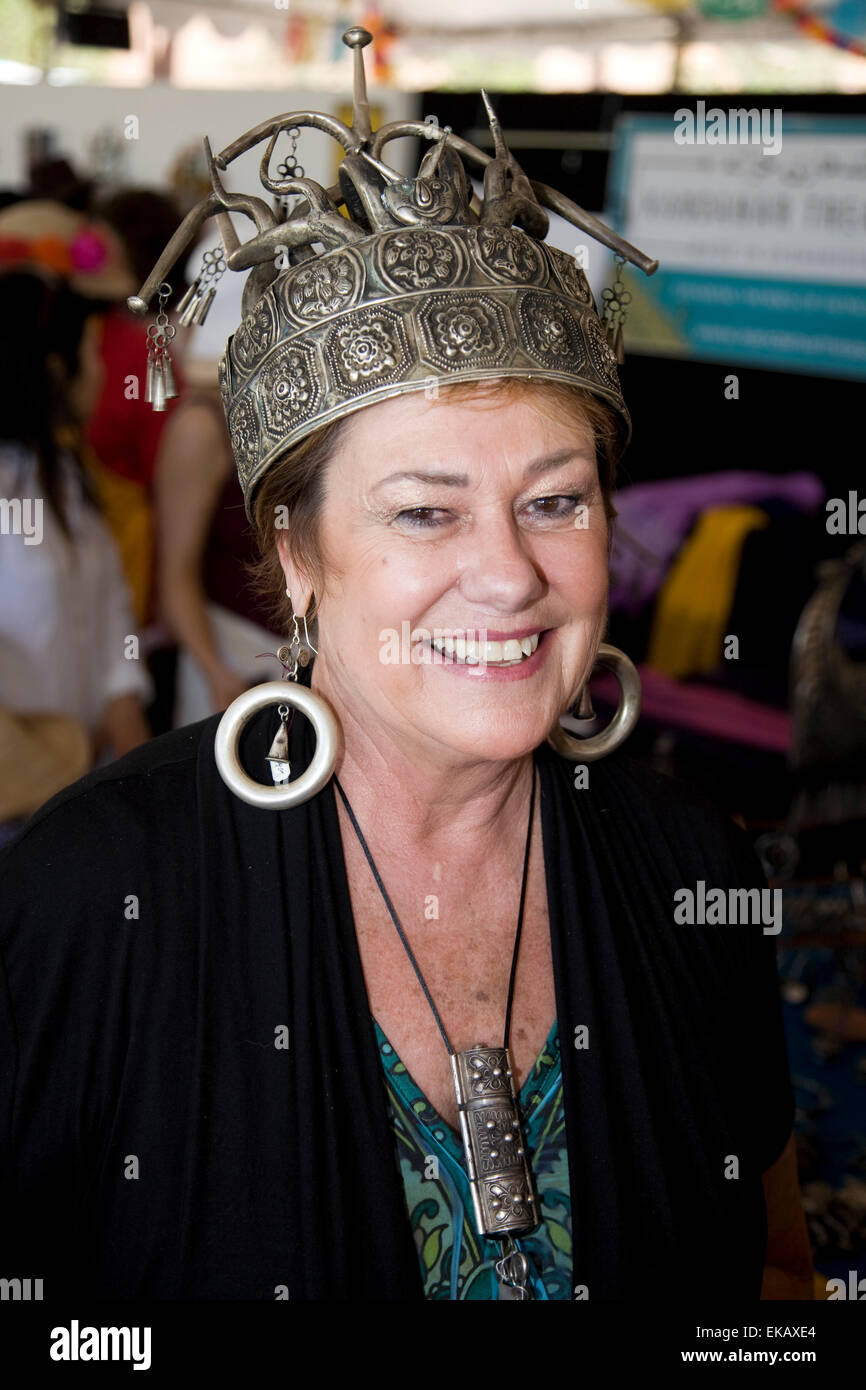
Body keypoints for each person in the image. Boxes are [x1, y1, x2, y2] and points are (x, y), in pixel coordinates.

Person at [0, 29, 812, 1301]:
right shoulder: (97, 889)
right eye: (424, 512)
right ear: (298, 553)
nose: (507, 575)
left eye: (555, 502)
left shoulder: (683, 861)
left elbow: (769, 1276)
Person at [0, 254, 152, 845]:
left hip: (77, 777)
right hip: (19, 786)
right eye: (90, 356)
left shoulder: (61, 471)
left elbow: (109, 603)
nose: (102, 371)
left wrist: (125, 710)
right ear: (53, 370)